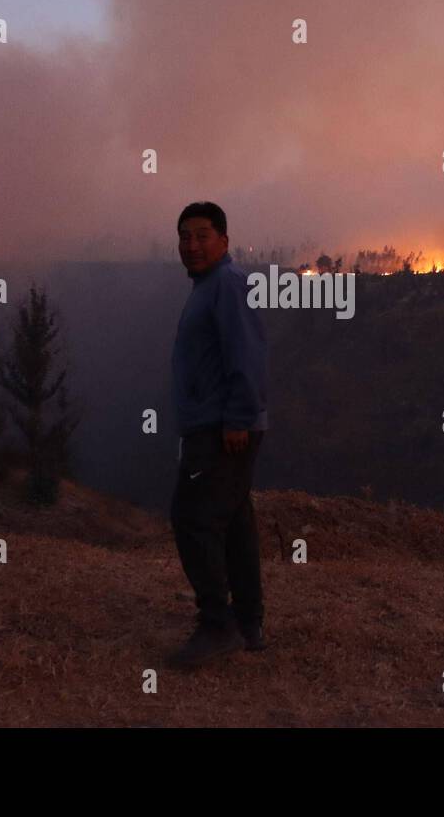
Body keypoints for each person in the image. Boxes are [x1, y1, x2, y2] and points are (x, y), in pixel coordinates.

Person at [168, 202, 269, 668]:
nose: (192, 245)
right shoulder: (208, 286)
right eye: (185, 237)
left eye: (203, 235)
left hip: (221, 428)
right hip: (216, 423)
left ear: (225, 240)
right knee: (232, 523)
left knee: (193, 519)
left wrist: (237, 420)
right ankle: (248, 623)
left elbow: (246, 357)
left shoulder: (228, 284)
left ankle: (217, 625)